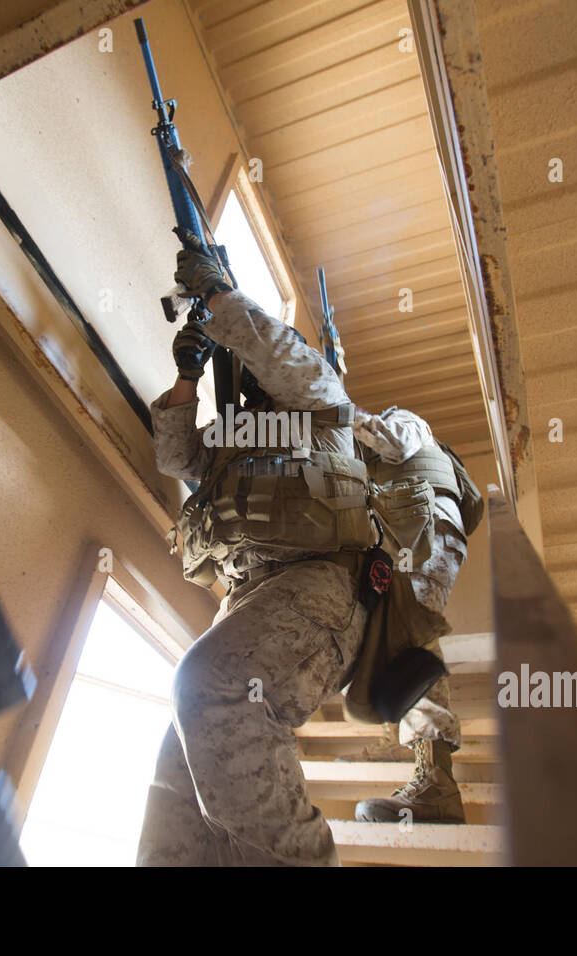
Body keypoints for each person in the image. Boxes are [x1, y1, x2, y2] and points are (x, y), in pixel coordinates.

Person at [137, 235, 375, 866]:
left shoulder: (324, 402)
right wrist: (187, 377)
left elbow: (278, 353)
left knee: (209, 687)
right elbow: (176, 458)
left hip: (318, 585)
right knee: (178, 771)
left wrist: (216, 293)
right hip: (248, 593)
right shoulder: (238, 437)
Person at [350, 405, 477, 825]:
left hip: (426, 534)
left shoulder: (408, 420)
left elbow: (399, 440)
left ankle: (436, 789)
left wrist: (339, 413)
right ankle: (431, 776)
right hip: (414, 537)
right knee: (399, 637)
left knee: (407, 638)